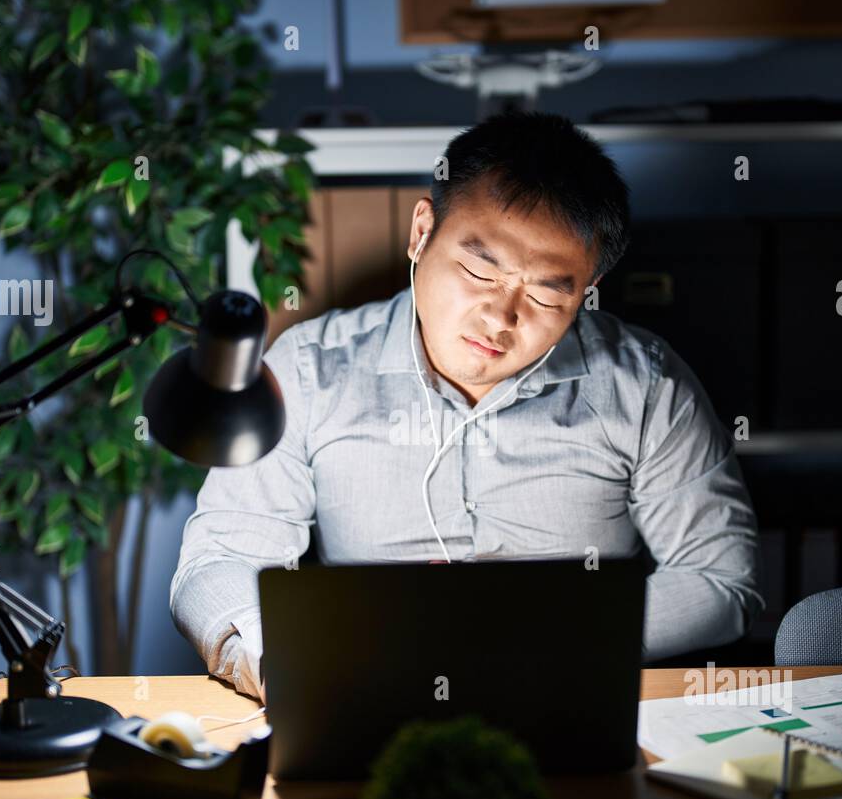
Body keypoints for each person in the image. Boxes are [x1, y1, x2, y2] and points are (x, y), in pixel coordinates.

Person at [170, 111, 762, 702]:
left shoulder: (647, 385)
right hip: (366, 689)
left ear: (586, 290)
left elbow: (721, 580)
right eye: (480, 270)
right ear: (421, 231)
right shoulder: (308, 369)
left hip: (567, 693)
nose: (501, 319)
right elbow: (218, 560)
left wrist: (539, 633)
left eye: (544, 296)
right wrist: (288, 664)